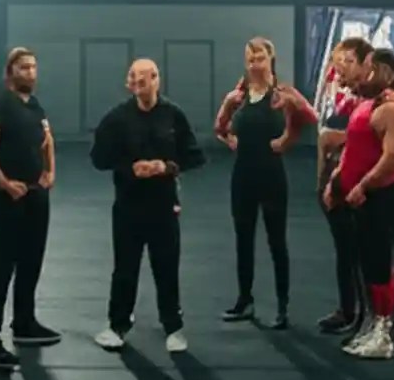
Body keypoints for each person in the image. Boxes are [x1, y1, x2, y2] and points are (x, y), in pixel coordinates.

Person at [90, 58, 206, 353]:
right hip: (128, 205)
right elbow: (98, 158)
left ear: (157, 80)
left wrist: (165, 167)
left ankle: (173, 326)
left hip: (163, 205)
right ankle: (117, 324)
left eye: (146, 80)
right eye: (135, 81)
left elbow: (193, 156)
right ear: (129, 83)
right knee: (125, 268)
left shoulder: (173, 116)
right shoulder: (116, 119)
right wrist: (130, 168)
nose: (140, 86)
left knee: (166, 267)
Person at [214, 37, 319, 328]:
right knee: (243, 240)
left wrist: (288, 138)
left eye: (259, 58)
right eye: (250, 58)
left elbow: (311, 117)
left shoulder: (282, 93)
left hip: (272, 175)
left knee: (276, 241)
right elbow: (219, 127)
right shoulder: (239, 94)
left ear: (271, 60)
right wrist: (230, 136)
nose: (254, 63)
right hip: (243, 175)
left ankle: (282, 306)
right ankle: (244, 300)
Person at [0, 47, 59, 373]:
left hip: (37, 196)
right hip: (11, 199)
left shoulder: (35, 106)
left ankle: (24, 322)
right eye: (24, 68)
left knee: (31, 262)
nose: (31, 73)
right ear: (10, 72)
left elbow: (47, 140)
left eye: (34, 67)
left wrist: (50, 172)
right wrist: (5, 184)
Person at [324, 48, 394, 359]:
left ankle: (383, 331)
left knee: (379, 263)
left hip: (381, 195)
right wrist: (337, 179)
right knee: (365, 261)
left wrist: (364, 184)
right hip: (358, 197)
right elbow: (354, 146)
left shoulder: (392, 109)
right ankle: (372, 322)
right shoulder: (365, 104)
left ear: (381, 72)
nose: (359, 74)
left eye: (365, 68)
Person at [316, 37, 374, 334]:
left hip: (354, 186)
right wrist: (322, 182)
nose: (342, 70)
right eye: (339, 63)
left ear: (366, 64)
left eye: (349, 62)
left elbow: (364, 142)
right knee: (344, 251)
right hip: (333, 184)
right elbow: (323, 141)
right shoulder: (342, 98)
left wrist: (335, 140)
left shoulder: (372, 101)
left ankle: (366, 316)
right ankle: (347, 308)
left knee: (361, 254)